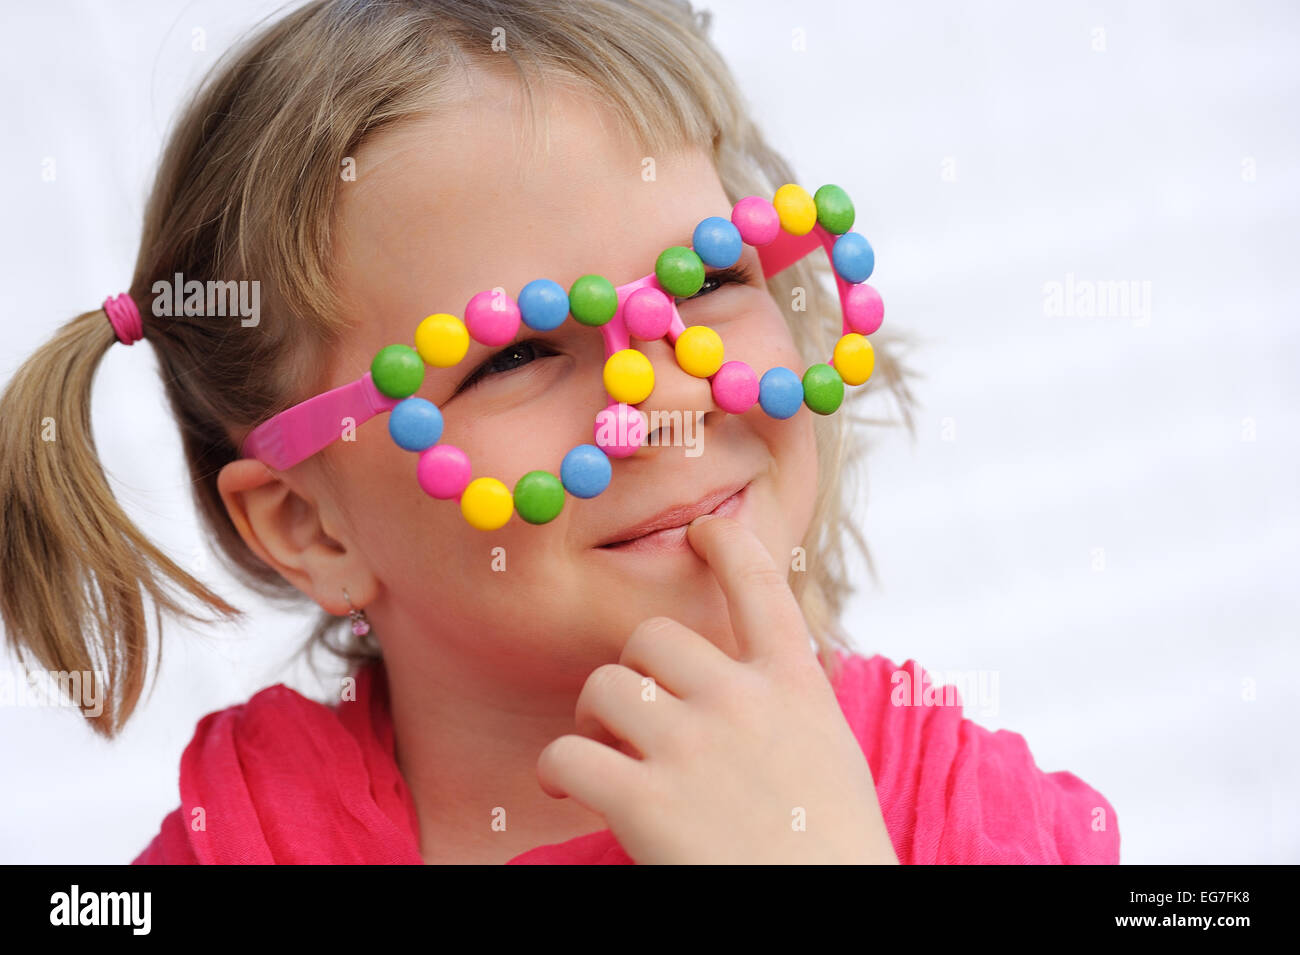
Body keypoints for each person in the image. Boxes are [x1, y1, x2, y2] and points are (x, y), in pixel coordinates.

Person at [0, 0, 1118, 864]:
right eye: (520, 354)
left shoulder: (961, 811)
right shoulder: (249, 838)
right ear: (310, 523)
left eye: (711, 276)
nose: (670, 395)